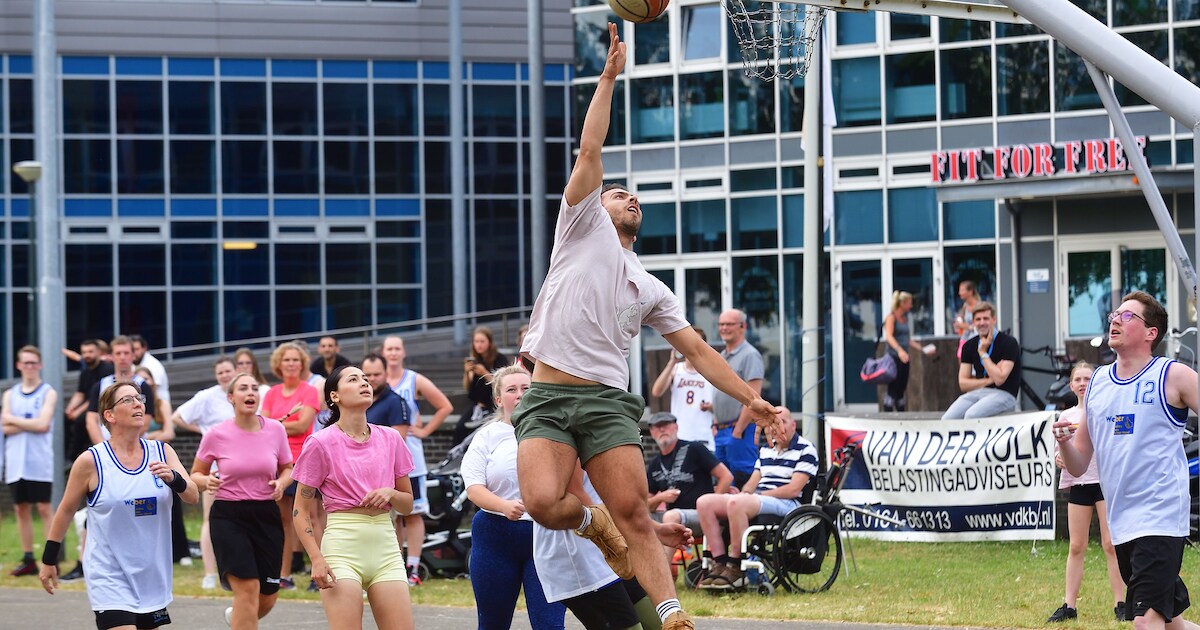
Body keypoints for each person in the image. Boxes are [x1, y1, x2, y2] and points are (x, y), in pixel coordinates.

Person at [513, 23, 781, 630]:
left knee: (635, 512)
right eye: (618, 193)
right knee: (544, 502)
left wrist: (751, 399)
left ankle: (670, 611)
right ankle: (592, 523)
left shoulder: (653, 286)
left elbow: (700, 352)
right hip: (549, 395)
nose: (628, 197)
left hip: (608, 402)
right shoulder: (579, 226)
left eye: (636, 197)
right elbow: (590, 153)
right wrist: (607, 78)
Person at [1055, 291, 1197, 629]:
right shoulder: (1099, 383)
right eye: (1114, 314)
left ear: (1151, 333)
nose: (1115, 319)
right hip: (1122, 522)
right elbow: (1079, 465)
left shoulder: (1172, 375)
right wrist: (1064, 444)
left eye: (1128, 315)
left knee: (1144, 622)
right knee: (1172, 623)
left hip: (1160, 516)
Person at [38, 382, 199, 629]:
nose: (137, 403)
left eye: (139, 398)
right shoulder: (92, 461)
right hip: (108, 574)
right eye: (127, 400)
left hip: (151, 574)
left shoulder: (162, 451)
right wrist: (49, 558)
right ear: (109, 415)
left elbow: (192, 496)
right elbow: (66, 510)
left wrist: (174, 479)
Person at [292, 366, 415, 630]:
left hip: (386, 548)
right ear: (334, 396)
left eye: (366, 379)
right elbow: (300, 510)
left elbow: (407, 504)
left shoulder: (391, 438)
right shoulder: (319, 443)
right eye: (354, 379)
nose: (365, 383)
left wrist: (392, 493)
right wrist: (316, 558)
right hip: (342, 549)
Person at [462, 364, 565, 629]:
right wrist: (504, 506)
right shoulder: (487, 436)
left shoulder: (557, 431)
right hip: (495, 535)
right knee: (493, 624)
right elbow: (474, 486)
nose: (519, 394)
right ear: (499, 399)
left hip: (546, 536)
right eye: (511, 389)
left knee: (549, 624)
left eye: (526, 388)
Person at [192, 372, 293, 629]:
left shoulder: (276, 429)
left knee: (267, 596)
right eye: (243, 389)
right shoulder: (216, 434)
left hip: (266, 514)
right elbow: (196, 474)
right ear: (231, 398)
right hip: (229, 515)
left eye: (254, 389)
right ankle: (242, 615)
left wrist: (282, 482)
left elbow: (288, 469)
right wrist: (207, 482)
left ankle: (237, 618)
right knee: (248, 589)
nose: (250, 393)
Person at [696, 408, 816, 590]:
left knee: (738, 503)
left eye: (782, 421)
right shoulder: (767, 449)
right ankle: (719, 563)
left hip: (788, 504)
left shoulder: (806, 449)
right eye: (773, 422)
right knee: (705, 502)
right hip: (760, 500)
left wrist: (755, 496)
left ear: (793, 425)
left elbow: (794, 489)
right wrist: (744, 493)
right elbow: (753, 482)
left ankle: (736, 566)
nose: (778, 426)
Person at [1046, 361, 1125, 623]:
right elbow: (1061, 454)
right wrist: (1060, 458)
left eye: (1088, 379)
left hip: (1103, 483)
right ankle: (1069, 605)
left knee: (1111, 544)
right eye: (1078, 379)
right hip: (1079, 484)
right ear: (1071, 385)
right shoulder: (1065, 416)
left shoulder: (1105, 411)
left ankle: (1121, 603)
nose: (1083, 383)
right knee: (1076, 546)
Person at [381, 335, 453, 586]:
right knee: (391, 514)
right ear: (382, 352)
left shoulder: (413, 379)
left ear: (403, 352)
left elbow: (445, 406)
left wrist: (424, 430)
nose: (392, 353)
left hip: (409, 455)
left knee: (412, 512)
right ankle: (395, 564)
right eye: (388, 349)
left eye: (396, 348)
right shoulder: (377, 381)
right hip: (381, 457)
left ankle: (413, 566)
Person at [172, 356, 238, 590]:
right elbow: (176, 416)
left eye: (228, 370)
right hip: (216, 468)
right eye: (220, 372)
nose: (224, 375)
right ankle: (210, 573)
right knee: (210, 518)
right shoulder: (207, 396)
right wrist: (203, 429)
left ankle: (235, 571)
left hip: (243, 468)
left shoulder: (246, 392)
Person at [262, 342, 320, 589]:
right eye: (287, 360)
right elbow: (262, 426)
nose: (292, 364)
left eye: (296, 360)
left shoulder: (309, 390)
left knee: (311, 516)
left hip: (304, 459)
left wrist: (276, 423)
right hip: (278, 462)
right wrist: (279, 423)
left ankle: (319, 571)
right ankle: (284, 575)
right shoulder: (272, 393)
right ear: (279, 364)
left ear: (303, 363)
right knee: (283, 520)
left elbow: (303, 424)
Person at [644, 412, 732, 564]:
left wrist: (711, 506)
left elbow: (726, 477)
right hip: (672, 517)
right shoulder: (654, 464)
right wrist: (660, 497)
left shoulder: (694, 449)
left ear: (676, 427)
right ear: (651, 432)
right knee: (635, 518)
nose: (662, 429)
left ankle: (661, 575)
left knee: (671, 516)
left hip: (700, 516)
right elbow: (645, 505)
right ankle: (637, 573)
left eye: (666, 425)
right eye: (657, 427)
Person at [3, 346, 58, 577]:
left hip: (39, 460)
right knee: (20, 508)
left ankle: (51, 558)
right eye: (25, 363)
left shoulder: (48, 392)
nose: (30, 367)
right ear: (18, 365)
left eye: (33, 362)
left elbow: (43, 424)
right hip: (16, 461)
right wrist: (29, 423)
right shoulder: (10, 394)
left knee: (44, 507)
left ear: (40, 364)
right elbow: (3, 426)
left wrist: (14, 421)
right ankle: (28, 558)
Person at [712, 308, 766, 488]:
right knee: (725, 484)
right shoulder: (721, 357)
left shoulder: (750, 355)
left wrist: (737, 431)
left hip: (740, 430)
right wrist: (714, 423)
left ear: (743, 327)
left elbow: (754, 398)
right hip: (721, 430)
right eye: (721, 324)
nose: (724, 328)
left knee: (744, 480)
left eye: (729, 324)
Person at [941, 302, 1021, 419]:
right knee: (948, 419)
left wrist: (983, 353)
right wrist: (989, 379)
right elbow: (963, 384)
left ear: (994, 320)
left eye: (986, 319)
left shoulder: (1009, 342)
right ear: (973, 322)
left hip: (1004, 394)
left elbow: (999, 380)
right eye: (978, 319)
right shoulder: (969, 345)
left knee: (971, 415)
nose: (982, 323)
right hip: (977, 393)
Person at [650, 327, 716, 450]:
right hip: (679, 436)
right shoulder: (677, 369)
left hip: (703, 435)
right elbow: (657, 391)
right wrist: (671, 363)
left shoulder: (710, 372)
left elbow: (721, 406)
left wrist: (712, 407)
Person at [454, 326, 511, 447]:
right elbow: (468, 387)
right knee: (460, 428)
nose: (478, 345)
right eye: (476, 342)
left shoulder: (499, 359)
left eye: (482, 341)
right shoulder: (475, 360)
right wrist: (467, 372)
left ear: (489, 342)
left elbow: (502, 384)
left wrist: (484, 373)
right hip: (476, 405)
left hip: (493, 405)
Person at [881, 291, 934, 412]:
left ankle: (901, 413)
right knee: (893, 387)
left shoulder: (904, 319)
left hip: (904, 357)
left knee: (901, 386)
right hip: (894, 357)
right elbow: (889, 336)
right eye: (909, 303)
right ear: (902, 303)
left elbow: (907, 339)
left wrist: (923, 349)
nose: (911, 306)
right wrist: (899, 351)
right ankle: (888, 413)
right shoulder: (891, 317)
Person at [64, 340, 113, 461]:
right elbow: (80, 393)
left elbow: (95, 397)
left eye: (90, 352)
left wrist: (77, 411)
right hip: (88, 405)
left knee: (81, 420)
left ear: (98, 352)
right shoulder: (85, 371)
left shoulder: (107, 369)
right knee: (64, 418)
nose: (87, 355)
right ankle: (67, 457)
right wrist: (70, 408)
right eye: (84, 352)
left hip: (101, 406)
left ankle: (76, 456)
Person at [362, 353, 411, 439]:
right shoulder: (357, 401)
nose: (372, 379)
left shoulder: (396, 402)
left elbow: (398, 441)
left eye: (377, 374)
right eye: (368, 375)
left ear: (386, 374)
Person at [130, 334, 170, 407]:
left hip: (158, 408)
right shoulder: (133, 363)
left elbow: (151, 389)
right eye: (131, 350)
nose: (134, 353)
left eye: (136, 349)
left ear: (144, 348)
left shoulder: (153, 365)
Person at [952, 280, 983, 349]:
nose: (959, 293)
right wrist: (959, 325)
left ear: (970, 292)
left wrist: (967, 327)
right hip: (965, 339)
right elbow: (963, 323)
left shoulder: (979, 306)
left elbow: (981, 326)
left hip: (976, 341)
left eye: (962, 290)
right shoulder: (965, 306)